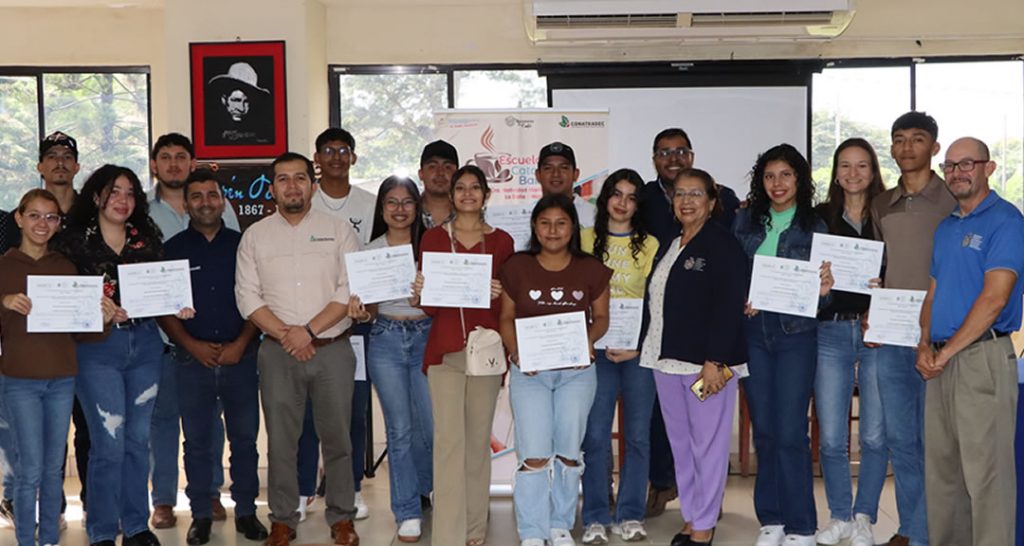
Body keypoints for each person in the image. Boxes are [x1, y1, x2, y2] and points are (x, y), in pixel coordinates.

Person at [53, 164, 193, 546]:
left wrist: (178, 304)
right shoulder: (72, 242)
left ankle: (135, 527)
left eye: (130, 193)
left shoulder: (146, 238)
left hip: (146, 344)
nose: (123, 200)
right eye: (114, 191)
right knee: (108, 442)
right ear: (97, 196)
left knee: (137, 440)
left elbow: (164, 288)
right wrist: (91, 305)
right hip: (98, 349)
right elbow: (62, 298)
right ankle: (101, 530)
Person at [235, 152, 361, 546]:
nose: (292, 186)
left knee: (338, 438)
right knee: (281, 440)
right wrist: (289, 334)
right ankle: (283, 519)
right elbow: (247, 296)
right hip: (277, 352)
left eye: (300, 178)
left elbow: (348, 288)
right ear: (272, 188)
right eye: (283, 179)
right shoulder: (255, 235)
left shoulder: (339, 230)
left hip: (332, 349)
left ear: (313, 184)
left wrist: (308, 331)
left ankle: (342, 517)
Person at [916, 137, 1024, 546]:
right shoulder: (947, 227)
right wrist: (924, 345)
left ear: (989, 168)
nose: (957, 173)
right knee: (944, 476)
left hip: (982, 358)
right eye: (950, 166)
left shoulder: (1007, 221)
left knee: (987, 477)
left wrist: (948, 352)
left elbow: (994, 299)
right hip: (942, 360)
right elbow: (933, 292)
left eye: (967, 164)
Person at [156, 169, 268, 545]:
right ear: (186, 204)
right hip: (191, 360)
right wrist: (190, 344)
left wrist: (241, 343)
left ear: (223, 200)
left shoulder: (245, 245)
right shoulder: (170, 249)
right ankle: (201, 513)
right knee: (198, 442)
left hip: (242, 355)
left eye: (212, 195)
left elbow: (260, 299)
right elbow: (162, 306)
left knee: (245, 441)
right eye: (197, 196)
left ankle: (247, 512)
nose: (206, 202)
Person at [0, 189, 116, 546]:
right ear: (18, 218)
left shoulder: (65, 268)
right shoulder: (3, 266)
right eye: (34, 215)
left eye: (51, 217)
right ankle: (25, 541)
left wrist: (103, 318)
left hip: (62, 380)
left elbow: (83, 335)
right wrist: (3, 302)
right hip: (19, 381)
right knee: (28, 470)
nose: (42, 223)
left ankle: (49, 539)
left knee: (52, 470)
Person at [641, 168, 748, 546]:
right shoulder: (672, 242)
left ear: (712, 202)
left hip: (707, 366)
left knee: (708, 443)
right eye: (680, 194)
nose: (686, 201)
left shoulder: (722, 244)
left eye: (696, 194)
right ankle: (691, 516)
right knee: (682, 443)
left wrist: (716, 359)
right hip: (665, 360)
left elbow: (729, 305)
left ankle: (704, 526)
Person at [732, 144, 833, 546]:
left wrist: (825, 289)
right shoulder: (744, 221)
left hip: (796, 334)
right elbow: (731, 274)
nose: (777, 184)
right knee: (767, 430)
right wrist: (741, 297)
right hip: (753, 333)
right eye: (770, 176)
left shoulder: (816, 225)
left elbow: (822, 294)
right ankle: (771, 519)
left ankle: (801, 525)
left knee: (791, 431)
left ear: (799, 180)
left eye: (786, 175)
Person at [499, 193, 612, 546]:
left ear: (572, 228)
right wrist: (517, 353)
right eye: (545, 222)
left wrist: (586, 344)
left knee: (568, 450)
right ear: (535, 226)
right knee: (533, 452)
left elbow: (602, 317)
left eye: (561, 223)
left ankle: (560, 523)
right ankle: (532, 529)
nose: (553, 230)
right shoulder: (517, 266)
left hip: (576, 372)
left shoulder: (591, 267)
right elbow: (505, 318)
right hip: (529, 374)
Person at [411, 164, 515, 546]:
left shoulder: (503, 242)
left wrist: (500, 291)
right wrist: (419, 292)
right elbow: (428, 308)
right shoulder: (434, 239)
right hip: (445, 353)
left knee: (476, 444)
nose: (468, 193)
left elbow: (510, 304)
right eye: (461, 188)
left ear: (487, 195)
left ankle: (474, 530)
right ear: (452, 196)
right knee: (449, 443)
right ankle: (448, 534)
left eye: (475, 187)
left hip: (486, 351)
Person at [868, 111, 953, 546]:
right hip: (892, 335)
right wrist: (872, 303)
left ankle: (928, 530)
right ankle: (911, 528)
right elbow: (881, 268)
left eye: (917, 140)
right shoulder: (881, 203)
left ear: (934, 147)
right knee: (901, 441)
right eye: (898, 140)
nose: (906, 148)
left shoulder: (953, 199)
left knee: (935, 441)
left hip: (940, 337)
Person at [146, 132, 235, 529]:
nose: (174, 164)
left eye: (181, 157)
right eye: (165, 157)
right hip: (163, 338)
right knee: (162, 421)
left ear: (193, 161)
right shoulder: (142, 214)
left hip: (213, 337)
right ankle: (163, 500)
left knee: (208, 423)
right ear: (154, 165)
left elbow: (237, 263)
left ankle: (210, 492)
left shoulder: (221, 207)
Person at [296, 127, 377, 522]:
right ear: (317, 158)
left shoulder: (370, 204)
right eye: (328, 150)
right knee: (306, 409)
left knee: (353, 409)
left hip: (354, 322)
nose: (336, 157)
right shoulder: (304, 201)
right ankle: (303, 488)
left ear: (353, 158)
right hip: (307, 322)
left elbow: (379, 262)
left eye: (344, 150)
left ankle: (353, 487)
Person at [813, 138, 888, 546]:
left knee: (876, 434)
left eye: (862, 166)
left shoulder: (887, 215)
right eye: (845, 165)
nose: (853, 173)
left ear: (873, 171)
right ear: (836, 171)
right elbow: (801, 275)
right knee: (830, 435)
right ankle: (839, 515)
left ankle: (864, 517)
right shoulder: (820, 218)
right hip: (830, 332)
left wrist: (885, 286)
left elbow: (906, 269)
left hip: (875, 333)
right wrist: (818, 285)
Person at [350, 175, 433, 542]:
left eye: (407, 202)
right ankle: (407, 510)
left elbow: (448, 300)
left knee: (431, 427)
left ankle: (431, 488)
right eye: (392, 203)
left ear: (418, 208)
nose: (400, 210)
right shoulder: (369, 252)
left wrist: (427, 298)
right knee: (399, 429)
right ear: (381, 209)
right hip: (385, 338)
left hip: (427, 336)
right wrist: (360, 312)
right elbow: (367, 310)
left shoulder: (432, 247)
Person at [578, 169, 658, 544]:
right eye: (616, 194)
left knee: (638, 437)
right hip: (596, 350)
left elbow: (658, 305)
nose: (622, 203)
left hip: (640, 352)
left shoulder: (653, 245)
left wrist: (640, 344)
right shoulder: (584, 240)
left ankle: (629, 513)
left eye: (631, 196)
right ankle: (595, 515)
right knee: (595, 437)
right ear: (605, 199)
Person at [641, 128, 740, 250]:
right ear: (654, 160)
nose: (673, 159)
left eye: (681, 152)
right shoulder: (641, 198)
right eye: (665, 153)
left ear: (691, 157)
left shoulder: (722, 197)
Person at [535, 142, 596, 228]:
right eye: (548, 168)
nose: (556, 174)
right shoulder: (528, 215)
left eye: (563, 168)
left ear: (575, 174)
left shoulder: (595, 215)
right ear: (538, 175)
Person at [418, 140, 458, 228]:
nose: (440, 173)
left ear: (457, 175)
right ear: (421, 174)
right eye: (432, 166)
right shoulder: (408, 213)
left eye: (447, 167)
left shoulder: (468, 214)